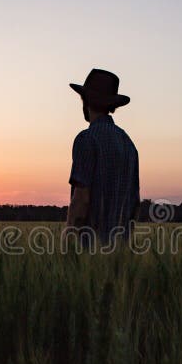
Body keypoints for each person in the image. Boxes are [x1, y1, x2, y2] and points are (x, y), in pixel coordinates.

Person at [66, 68, 140, 247]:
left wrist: (67, 243)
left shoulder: (86, 139)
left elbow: (81, 199)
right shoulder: (129, 144)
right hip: (120, 251)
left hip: (88, 251)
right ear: (112, 105)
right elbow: (135, 204)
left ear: (86, 101)